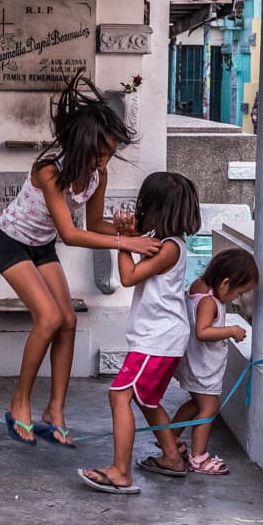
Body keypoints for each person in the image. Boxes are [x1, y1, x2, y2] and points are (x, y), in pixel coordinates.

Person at [0, 72, 161, 448]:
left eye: (111, 153)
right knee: (48, 318)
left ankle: (55, 410)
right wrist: (122, 243)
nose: (107, 159)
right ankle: (20, 401)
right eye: (103, 152)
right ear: (84, 145)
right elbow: (71, 234)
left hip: (42, 246)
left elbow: (94, 223)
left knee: (67, 320)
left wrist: (125, 231)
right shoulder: (49, 171)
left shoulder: (98, 174)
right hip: (9, 243)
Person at [78, 171, 200, 495]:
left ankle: (120, 472)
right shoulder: (163, 242)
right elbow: (95, 227)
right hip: (162, 337)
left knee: (119, 395)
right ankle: (172, 458)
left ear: (157, 207)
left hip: (158, 339)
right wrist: (126, 235)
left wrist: (123, 242)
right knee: (148, 400)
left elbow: (129, 276)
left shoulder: (169, 248)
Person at [171, 249, 258, 476]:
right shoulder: (209, 302)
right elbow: (202, 331)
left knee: (194, 404)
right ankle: (199, 457)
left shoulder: (199, 286)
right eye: (239, 293)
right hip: (203, 366)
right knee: (209, 408)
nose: (237, 299)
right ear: (225, 283)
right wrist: (230, 330)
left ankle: (169, 440)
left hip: (193, 362)